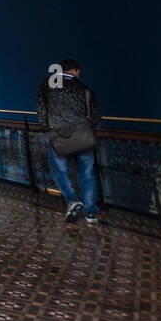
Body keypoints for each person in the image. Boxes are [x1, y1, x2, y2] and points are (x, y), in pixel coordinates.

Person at [36, 58, 101, 224]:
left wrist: (48, 128)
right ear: (76, 71)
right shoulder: (84, 89)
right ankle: (91, 213)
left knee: (59, 171)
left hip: (59, 136)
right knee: (86, 174)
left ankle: (72, 200)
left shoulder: (46, 85)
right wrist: (90, 130)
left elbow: (42, 113)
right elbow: (95, 117)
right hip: (83, 136)